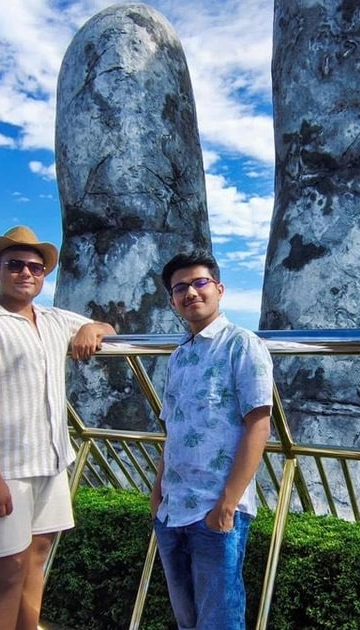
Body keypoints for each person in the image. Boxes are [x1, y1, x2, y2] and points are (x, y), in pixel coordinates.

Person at [0, 225, 115, 630]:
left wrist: (92, 329)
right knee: (4, 573)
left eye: (35, 268)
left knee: (36, 558)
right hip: (2, 469)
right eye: (14, 264)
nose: (26, 273)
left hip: (49, 463)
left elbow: (105, 327)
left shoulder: (53, 320)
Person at [151, 250, 273, 630]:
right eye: (180, 287)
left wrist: (227, 504)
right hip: (172, 509)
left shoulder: (242, 344)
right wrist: (157, 494)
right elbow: (173, 430)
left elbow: (259, 424)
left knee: (220, 620)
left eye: (200, 283)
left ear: (218, 289)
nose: (191, 292)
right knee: (186, 618)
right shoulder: (177, 357)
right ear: (172, 300)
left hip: (215, 510)